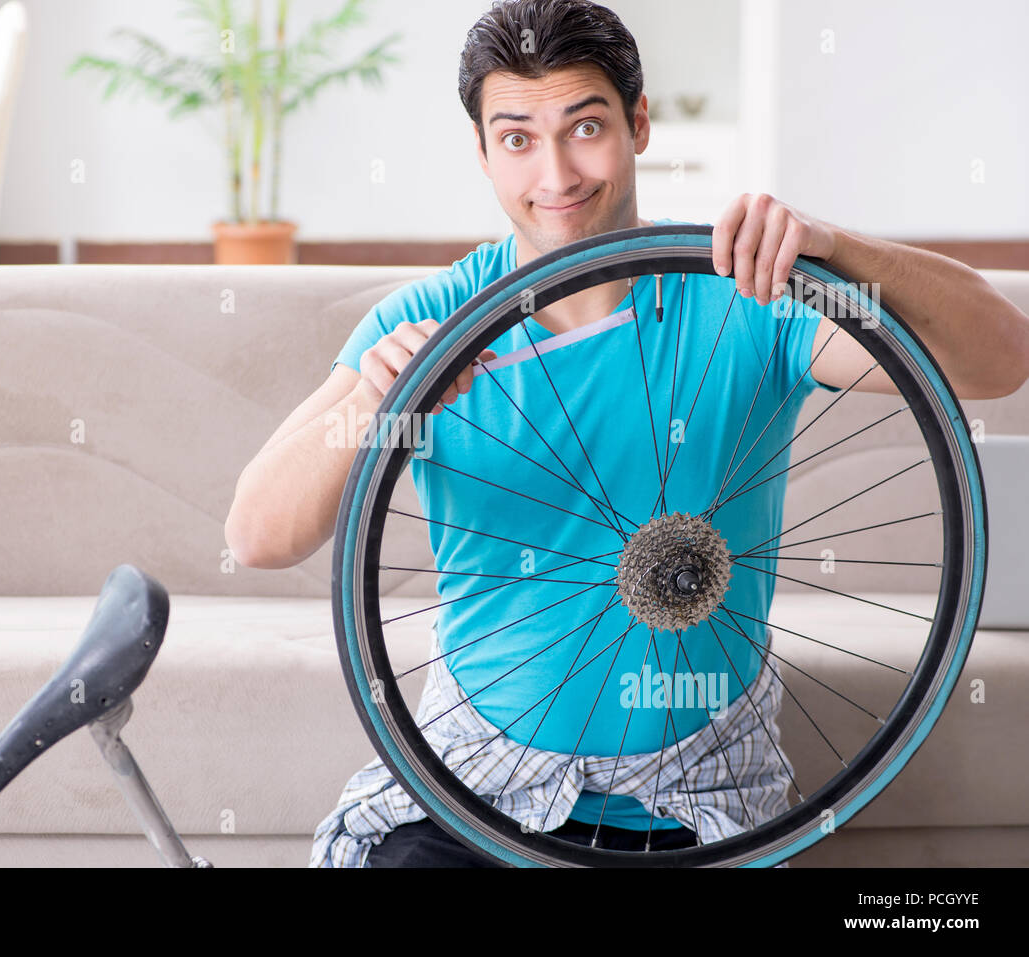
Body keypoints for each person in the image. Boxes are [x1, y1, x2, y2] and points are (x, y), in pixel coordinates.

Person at [224, 0, 1029, 868]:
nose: (557, 172)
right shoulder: (425, 323)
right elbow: (256, 536)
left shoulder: (747, 298)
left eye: (586, 126)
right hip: (468, 795)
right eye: (519, 138)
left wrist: (835, 247)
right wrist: (375, 406)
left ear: (639, 124)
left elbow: (1000, 359)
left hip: (706, 804)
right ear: (484, 153)